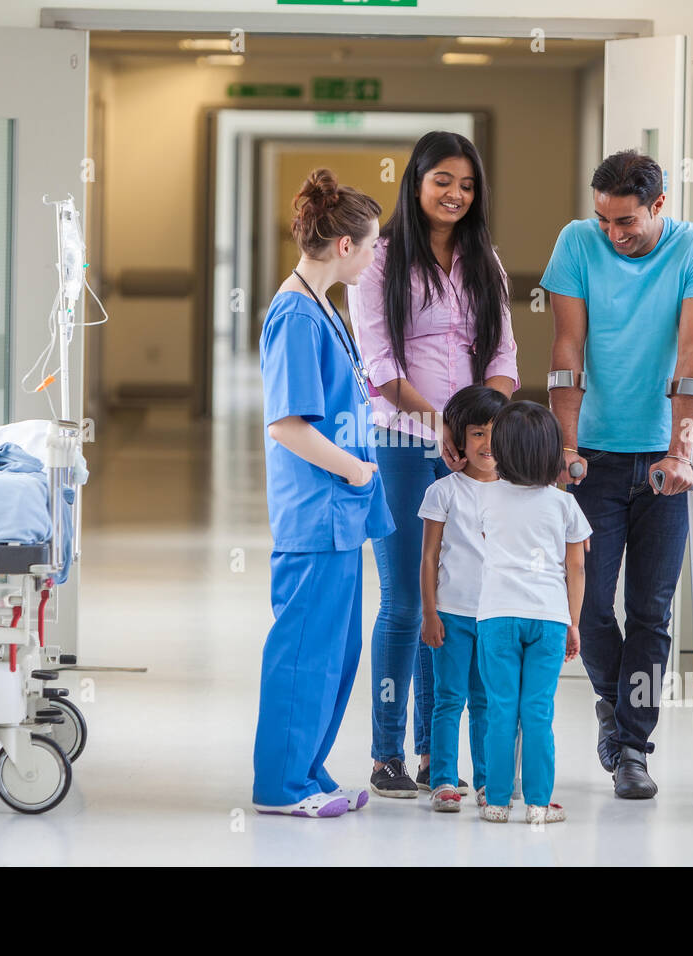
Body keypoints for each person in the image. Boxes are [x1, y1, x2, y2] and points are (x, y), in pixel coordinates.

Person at [542, 150, 693, 799]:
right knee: (589, 603)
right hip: (592, 454)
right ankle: (610, 700)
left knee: (650, 610)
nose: (612, 234)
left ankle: (632, 745)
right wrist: (565, 444)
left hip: (662, 463)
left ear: (658, 206)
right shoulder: (577, 242)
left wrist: (683, 452)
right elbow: (568, 349)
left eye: (625, 221)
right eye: (603, 220)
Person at [348, 131, 519, 798]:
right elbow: (380, 369)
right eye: (442, 179)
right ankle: (387, 751)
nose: (455, 193)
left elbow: (503, 357)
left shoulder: (485, 263)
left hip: (471, 452)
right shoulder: (380, 261)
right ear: (415, 182)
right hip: (400, 443)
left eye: (467, 184)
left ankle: (434, 752)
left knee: (449, 601)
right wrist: (441, 426)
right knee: (402, 601)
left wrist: (482, 432)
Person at [251, 168, 393, 818]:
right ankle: (281, 787)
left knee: (337, 649)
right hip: (317, 511)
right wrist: (355, 470)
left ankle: (307, 770)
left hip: (339, 513)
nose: (374, 255)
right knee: (305, 648)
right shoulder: (296, 315)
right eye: (371, 245)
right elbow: (286, 425)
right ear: (344, 246)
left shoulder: (321, 305)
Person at [473, 401, 589, 824]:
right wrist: (573, 621)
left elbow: (488, 538)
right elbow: (575, 567)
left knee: (501, 709)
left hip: (497, 616)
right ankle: (539, 804)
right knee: (537, 711)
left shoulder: (485, 497)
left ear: (499, 452)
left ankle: (498, 802)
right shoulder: (564, 506)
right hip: (549, 618)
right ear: (552, 455)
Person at [418, 384, 509, 812]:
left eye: (494, 432)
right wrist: (430, 613)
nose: (486, 443)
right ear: (457, 438)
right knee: (449, 699)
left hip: (496, 617)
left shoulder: (518, 492)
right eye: (476, 433)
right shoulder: (444, 492)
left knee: (488, 702)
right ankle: (443, 781)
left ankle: (490, 782)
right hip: (452, 616)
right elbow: (430, 557)